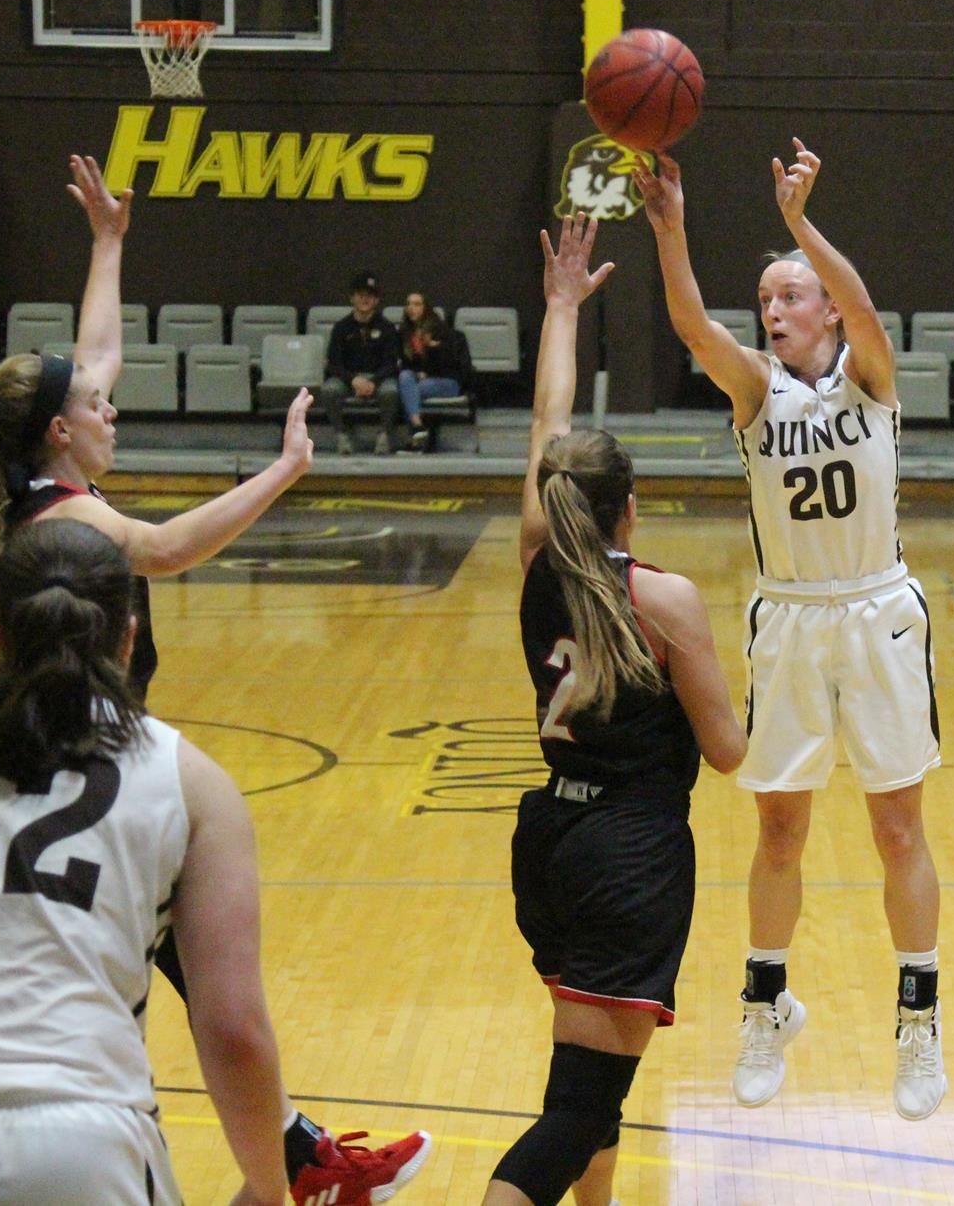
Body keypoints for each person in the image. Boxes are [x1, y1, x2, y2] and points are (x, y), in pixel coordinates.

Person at [0, 156, 430, 1204]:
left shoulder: (48, 475)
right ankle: (287, 1159)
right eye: (96, 407)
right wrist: (285, 470)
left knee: (194, 982)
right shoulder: (73, 518)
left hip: (78, 754)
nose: (114, 408)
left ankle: (292, 1151)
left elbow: (94, 353)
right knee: (193, 989)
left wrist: (109, 244)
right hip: (85, 773)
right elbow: (161, 549)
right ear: (62, 430)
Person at [634, 139, 949, 1121]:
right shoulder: (755, 391)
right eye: (765, 297)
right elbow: (691, 327)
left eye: (788, 295)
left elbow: (865, 308)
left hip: (877, 614)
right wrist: (671, 225)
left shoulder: (869, 377)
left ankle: (918, 1017)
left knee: (896, 824)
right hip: (791, 621)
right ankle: (766, 1002)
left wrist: (800, 222)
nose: (773, 310)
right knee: (779, 823)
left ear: (824, 308)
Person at [0, 520, 287, 1205]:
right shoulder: (189, 779)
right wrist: (268, 1181)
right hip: (81, 1142)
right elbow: (231, 1026)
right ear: (130, 637)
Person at [485, 215, 746, 1206]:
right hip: (628, 849)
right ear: (630, 508)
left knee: (594, 1090)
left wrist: (558, 309)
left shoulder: (531, 557)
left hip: (550, 838)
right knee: (575, 1109)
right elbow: (725, 751)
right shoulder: (666, 600)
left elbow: (543, 425)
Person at [321, 271, 403, 455]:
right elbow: (333, 364)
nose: (365, 299)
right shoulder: (341, 328)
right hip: (349, 379)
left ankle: (384, 434)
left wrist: (373, 381)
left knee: (391, 391)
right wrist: (353, 380)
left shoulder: (387, 328)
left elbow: (392, 363)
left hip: (379, 379)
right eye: (361, 295)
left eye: (370, 296)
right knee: (329, 390)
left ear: (376, 301)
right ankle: (342, 434)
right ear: (352, 298)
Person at [397, 300, 472, 453]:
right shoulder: (404, 336)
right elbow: (403, 365)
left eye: (417, 304)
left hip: (448, 382)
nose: (412, 308)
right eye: (409, 304)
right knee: (405, 377)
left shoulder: (450, 335)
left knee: (411, 390)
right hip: (419, 381)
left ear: (427, 308)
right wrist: (419, 371)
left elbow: (459, 367)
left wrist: (433, 349)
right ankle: (418, 427)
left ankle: (416, 440)